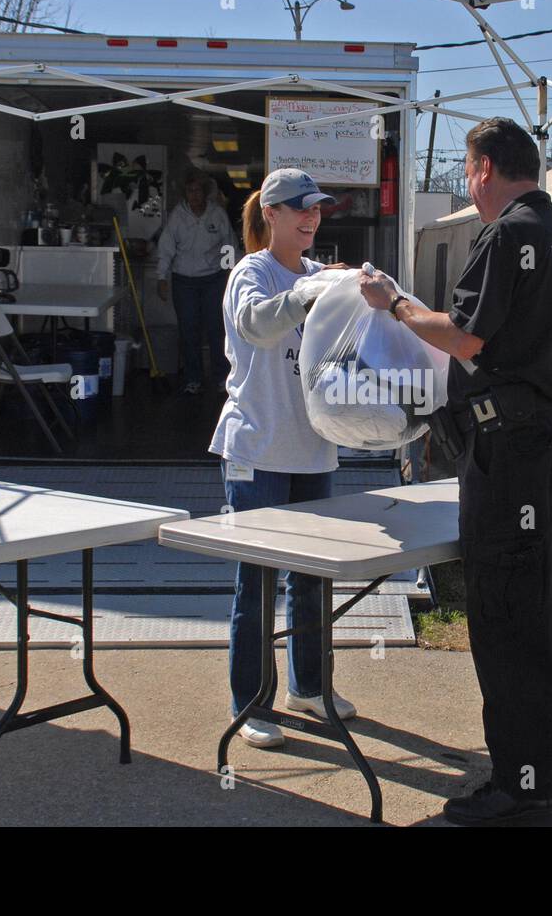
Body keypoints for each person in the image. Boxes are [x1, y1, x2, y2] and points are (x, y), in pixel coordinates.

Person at [359, 118, 552, 826]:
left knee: (507, 617)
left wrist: (392, 305)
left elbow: (463, 338)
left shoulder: (510, 236)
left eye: (467, 172)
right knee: (550, 612)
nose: (469, 185)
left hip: (512, 456)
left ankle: (522, 792)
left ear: (486, 168)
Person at [209, 167, 358, 749]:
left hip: (313, 449)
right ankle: (250, 705)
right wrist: (307, 293)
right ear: (270, 215)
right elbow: (256, 325)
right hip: (256, 449)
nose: (312, 217)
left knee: (313, 579)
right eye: (300, 208)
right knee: (258, 583)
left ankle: (310, 688)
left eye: (317, 208)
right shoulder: (253, 271)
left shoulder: (323, 273)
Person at [155, 169, 237, 395]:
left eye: (198, 190)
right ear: (185, 193)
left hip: (214, 279)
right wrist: (162, 277)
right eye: (190, 191)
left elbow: (229, 245)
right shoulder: (177, 216)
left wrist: (234, 275)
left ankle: (221, 377)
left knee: (216, 330)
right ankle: (193, 379)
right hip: (184, 282)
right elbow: (166, 248)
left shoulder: (217, 214)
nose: (194, 195)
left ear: (205, 193)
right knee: (189, 330)